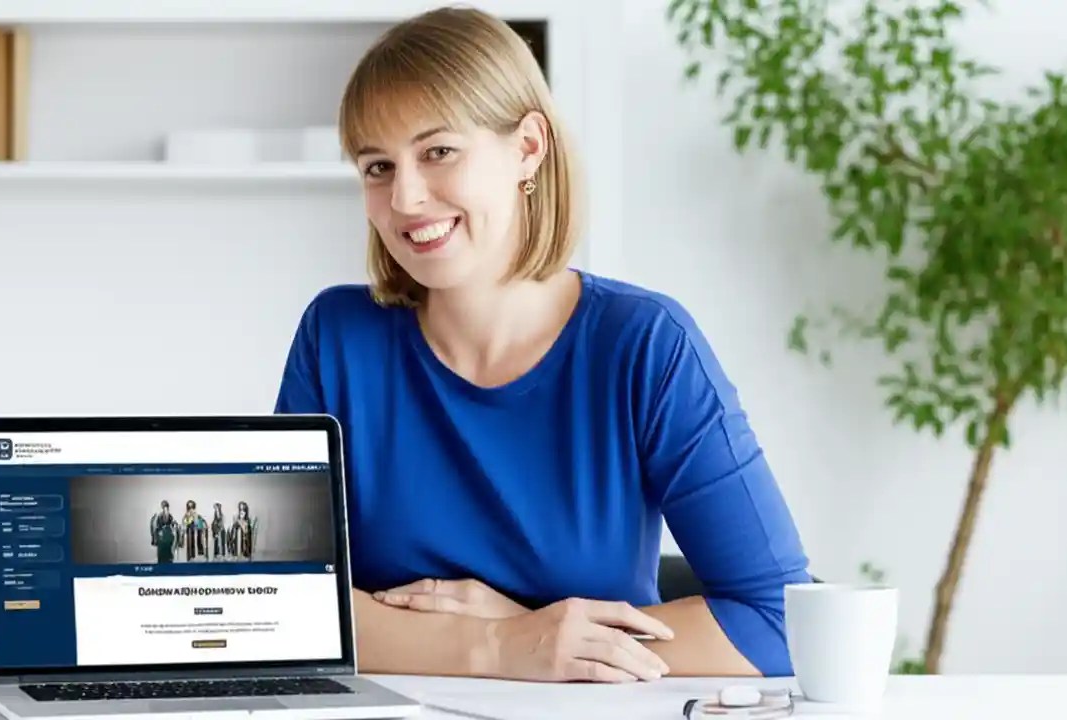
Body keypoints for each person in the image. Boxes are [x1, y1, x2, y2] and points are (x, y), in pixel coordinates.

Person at [273, 5, 812, 684]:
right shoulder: (337, 337)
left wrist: (542, 636)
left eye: (438, 152)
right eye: (378, 166)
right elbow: (277, 601)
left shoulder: (645, 346)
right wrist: (500, 644)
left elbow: (783, 622)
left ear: (528, 147)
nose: (405, 198)